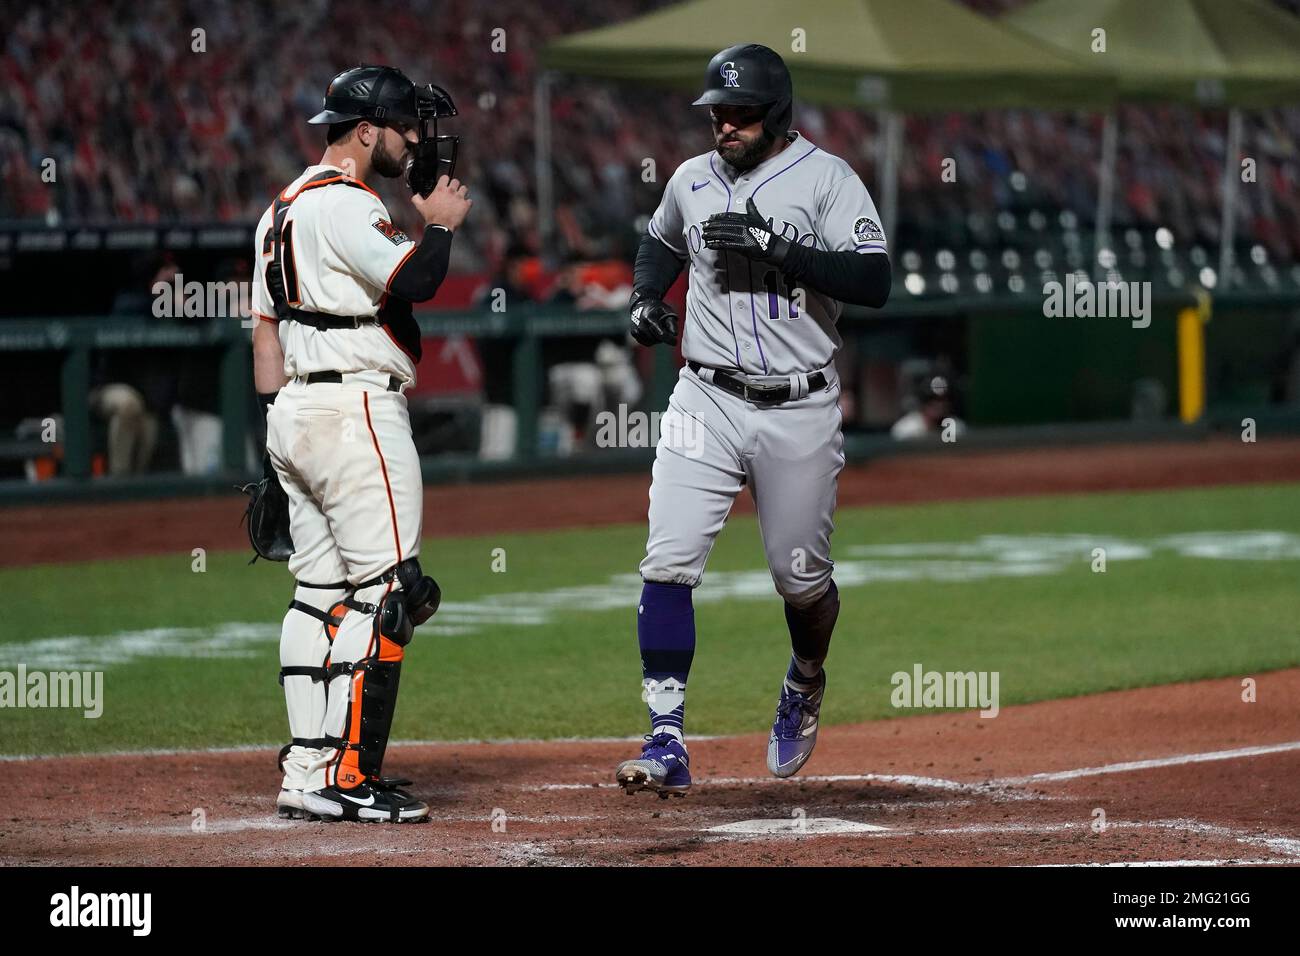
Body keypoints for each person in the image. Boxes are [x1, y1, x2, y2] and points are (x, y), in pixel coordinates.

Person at [616, 43, 891, 796]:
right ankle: (665, 739)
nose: (723, 127)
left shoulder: (829, 179)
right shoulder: (692, 179)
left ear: (775, 115)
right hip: (704, 395)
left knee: (799, 581)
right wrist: (645, 299)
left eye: (739, 115)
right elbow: (660, 243)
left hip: (799, 404)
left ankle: (805, 679)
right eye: (716, 114)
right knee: (668, 559)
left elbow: (874, 279)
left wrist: (780, 247)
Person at [249, 64, 471, 823]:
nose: (414, 140)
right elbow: (415, 282)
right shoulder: (346, 204)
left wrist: (279, 438)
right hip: (354, 412)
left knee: (317, 596)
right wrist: (439, 223)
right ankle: (345, 776)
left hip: (296, 413)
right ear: (366, 130)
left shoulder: (280, 207)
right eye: (404, 127)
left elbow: (265, 332)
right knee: (391, 596)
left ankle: (307, 768)